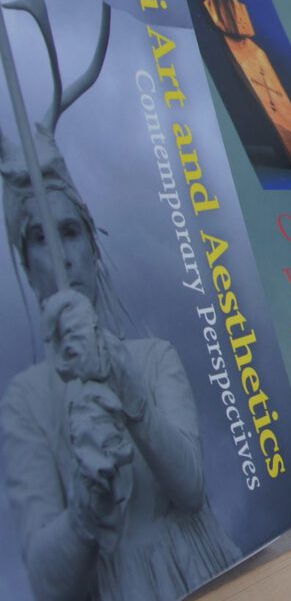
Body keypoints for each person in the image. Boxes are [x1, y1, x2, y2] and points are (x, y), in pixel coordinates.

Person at [0, 143, 241, 601]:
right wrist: (85, 514)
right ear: (29, 267)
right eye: (40, 238)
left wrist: (127, 390)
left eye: (69, 231)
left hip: (196, 570)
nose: (61, 254)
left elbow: (190, 487)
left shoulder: (153, 356)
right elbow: (47, 582)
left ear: (92, 248)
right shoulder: (25, 400)